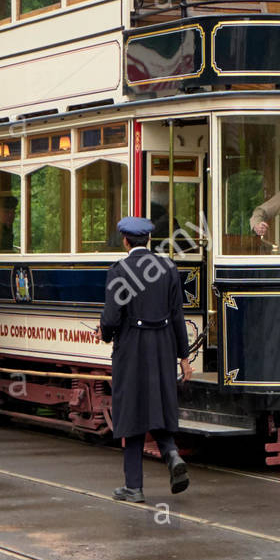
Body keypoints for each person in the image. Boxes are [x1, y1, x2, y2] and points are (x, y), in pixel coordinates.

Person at [99, 216, 193, 504]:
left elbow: (112, 316)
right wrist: (184, 357)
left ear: (126, 241)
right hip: (163, 347)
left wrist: (104, 333)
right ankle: (172, 454)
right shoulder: (168, 268)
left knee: (131, 412)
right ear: (148, 240)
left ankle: (134, 487)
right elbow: (178, 316)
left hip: (131, 348)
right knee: (158, 404)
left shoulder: (119, 271)